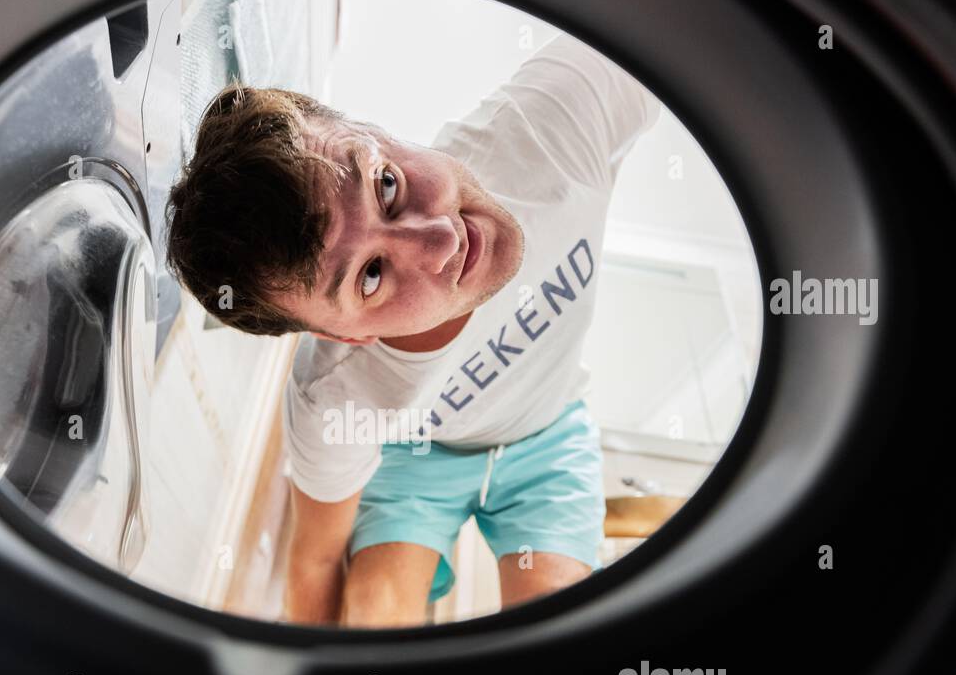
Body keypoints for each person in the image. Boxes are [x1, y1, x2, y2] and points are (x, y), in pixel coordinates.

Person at [165, 32, 661, 627]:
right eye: (370, 277)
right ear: (345, 337)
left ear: (378, 128)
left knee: (561, 632)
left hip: (548, 434)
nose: (444, 240)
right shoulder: (336, 400)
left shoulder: (556, 118)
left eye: (387, 185)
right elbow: (316, 564)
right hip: (421, 457)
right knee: (374, 609)